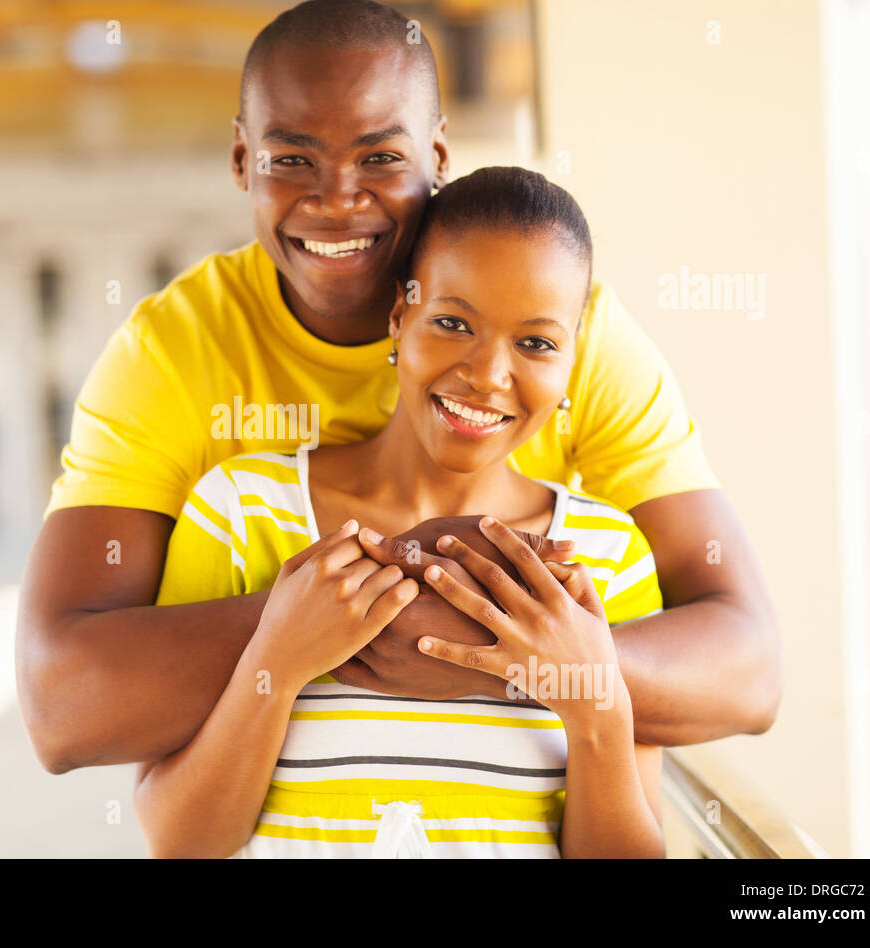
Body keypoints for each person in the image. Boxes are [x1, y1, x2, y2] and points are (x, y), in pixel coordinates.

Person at [15, 0, 780, 776]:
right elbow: (63, 708)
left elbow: (748, 673)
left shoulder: (569, 338)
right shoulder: (172, 352)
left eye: (380, 158)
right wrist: (349, 617)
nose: (338, 197)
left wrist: (505, 650)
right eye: (293, 159)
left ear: (438, 156)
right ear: (243, 160)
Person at [137, 167, 665, 858]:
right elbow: (181, 844)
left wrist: (594, 705)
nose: (487, 375)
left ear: (573, 361)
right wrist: (276, 660)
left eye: (536, 343)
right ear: (398, 318)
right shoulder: (243, 513)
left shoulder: (606, 557)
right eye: (452, 322)